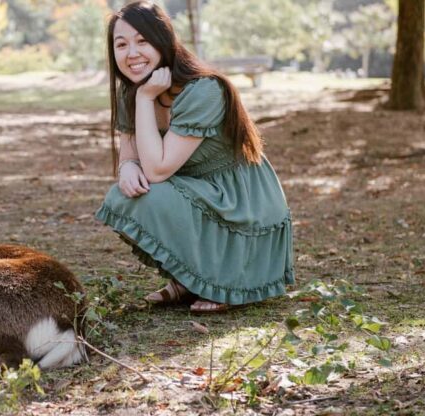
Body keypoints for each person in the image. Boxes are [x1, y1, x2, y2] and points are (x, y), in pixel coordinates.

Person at [95, 1, 294, 313]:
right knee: (124, 196)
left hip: (238, 198)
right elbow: (130, 150)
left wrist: (147, 99)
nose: (131, 53)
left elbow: (158, 170)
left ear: (164, 40)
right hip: (194, 189)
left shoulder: (203, 90)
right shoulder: (130, 91)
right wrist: (127, 167)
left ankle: (225, 283)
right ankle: (188, 281)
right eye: (121, 44)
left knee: (153, 191)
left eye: (142, 41)